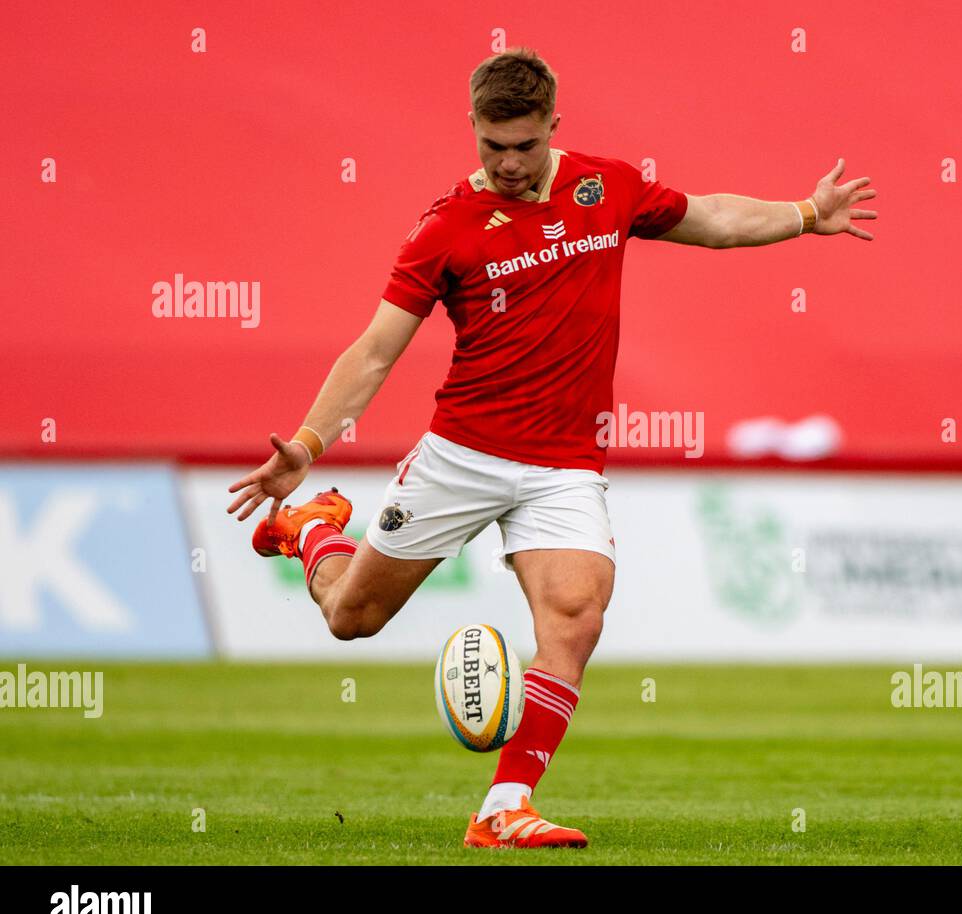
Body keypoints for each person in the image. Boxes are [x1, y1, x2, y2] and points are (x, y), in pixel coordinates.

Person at [226, 47, 876, 849]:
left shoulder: (607, 187)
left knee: (576, 616)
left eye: (524, 146)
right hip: (462, 453)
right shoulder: (444, 229)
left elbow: (713, 220)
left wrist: (806, 214)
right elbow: (374, 351)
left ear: (553, 129)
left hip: (564, 462)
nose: (506, 163)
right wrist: (308, 444)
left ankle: (504, 804)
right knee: (350, 618)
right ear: (472, 129)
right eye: (492, 145)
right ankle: (310, 528)